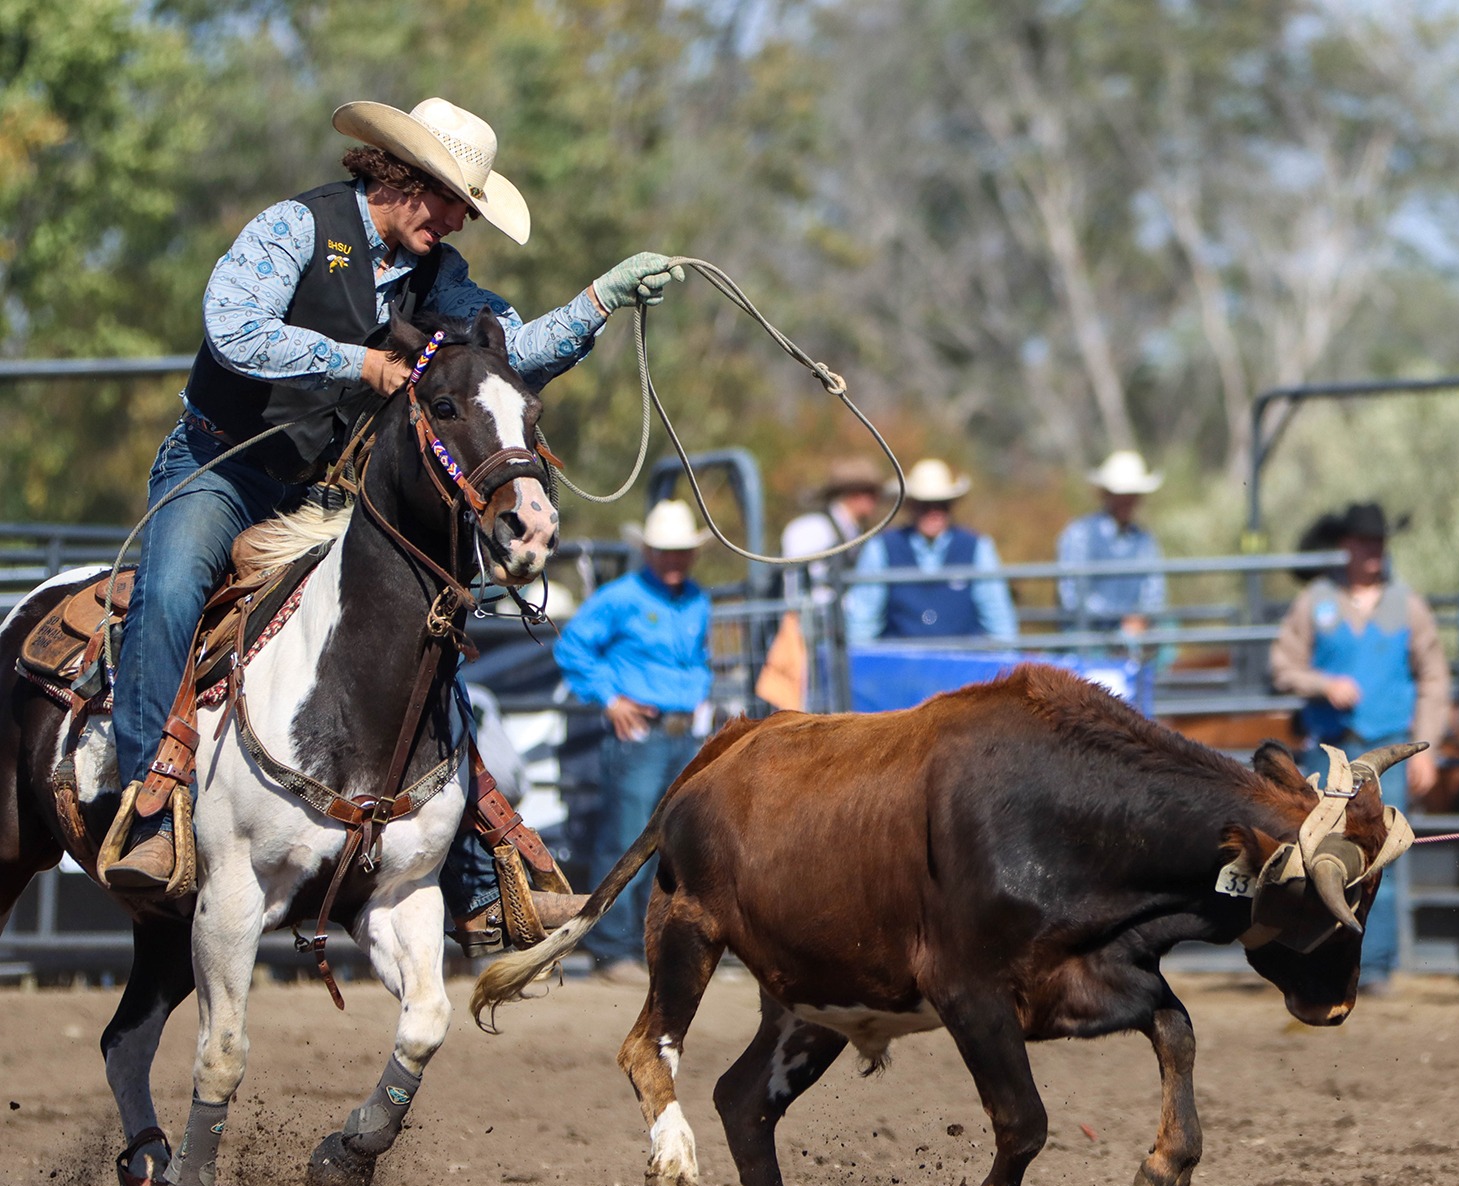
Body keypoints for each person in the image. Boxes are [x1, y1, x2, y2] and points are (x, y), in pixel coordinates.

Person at [104, 97, 682, 943]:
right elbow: (233, 329)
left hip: (321, 489)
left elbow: (510, 354)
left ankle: (477, 870)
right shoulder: (296, 228)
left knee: (422, 631)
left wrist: (599, 300)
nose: (458, 221)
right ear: (405, 178)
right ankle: (149, 813)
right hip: (219, 467)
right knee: (170, 591)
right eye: (452, 200)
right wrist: (358, 363)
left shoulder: (439, 276)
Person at [1270, 502, 1448, 993]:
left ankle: (1377, 963)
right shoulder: (1315, 602)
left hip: (1386, 751)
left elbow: (1434, 679)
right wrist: (1322, 684)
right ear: (1346, 545)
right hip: (1329, 751)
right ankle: (1314, 959)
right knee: (1311, 852)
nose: (1373, 550)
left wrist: (1427, 748)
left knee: (1379, 857)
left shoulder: (1408, 606)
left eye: (1378, 542)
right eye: (1364, 541)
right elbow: (1283, 666)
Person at [552, 501, 713, 983]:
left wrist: (701, 699)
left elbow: (698, 659)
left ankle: (654, 945)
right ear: (648, 551)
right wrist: (610, 699)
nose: (674, 559)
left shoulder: (696, 599)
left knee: (678, 844)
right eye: (665, 550)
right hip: (641, 733)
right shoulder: (620, 598)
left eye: (680, 551)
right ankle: (612, 945)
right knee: (628, 839)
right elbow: (572, 646)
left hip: (685, 733)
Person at [844, 459, 1017, 644]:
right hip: (899, 658)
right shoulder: (881, 547)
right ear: (911, 505)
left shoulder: (978, 547)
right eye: (924, 504)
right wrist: (860, 659)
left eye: (941, 504)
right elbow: (863, 620)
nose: (934, 512)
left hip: (962, 658)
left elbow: (997, 616)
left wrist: (1006, 655)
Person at [1056, 450, 1168, 634]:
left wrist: (1140, 619)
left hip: (1135, 635)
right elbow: (1072, 596)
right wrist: (1118, 621)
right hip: (1088, 635)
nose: (1128, 500)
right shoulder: (1079, 534)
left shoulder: (1145, 540)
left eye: (1133, 494)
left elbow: (1154, 592)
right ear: (1106, 495)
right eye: (1121, 494)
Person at [780, 457, 886, 597]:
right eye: (870, 492)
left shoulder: (855, 531)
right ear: (852, 493)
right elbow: (796, 582)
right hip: (815, 609)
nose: (876, 499)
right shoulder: (812, 528)